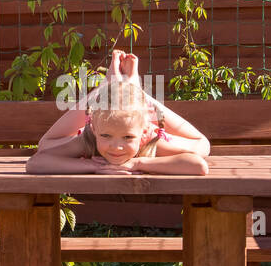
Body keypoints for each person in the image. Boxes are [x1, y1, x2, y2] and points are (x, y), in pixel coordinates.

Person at [24, 50, 209, 175]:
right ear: (93, 128)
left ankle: (133, 90)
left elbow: (199, 164)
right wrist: (90, 166)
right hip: (104, 115)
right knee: (45, 146)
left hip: (137, 118)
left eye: (128, 138)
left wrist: (138, 163)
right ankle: (113, 87)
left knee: (203, 147)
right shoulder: (89, 140)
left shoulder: (148, 141)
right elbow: (35, 162)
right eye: (106, 135)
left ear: (143, 133)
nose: (116, 146)